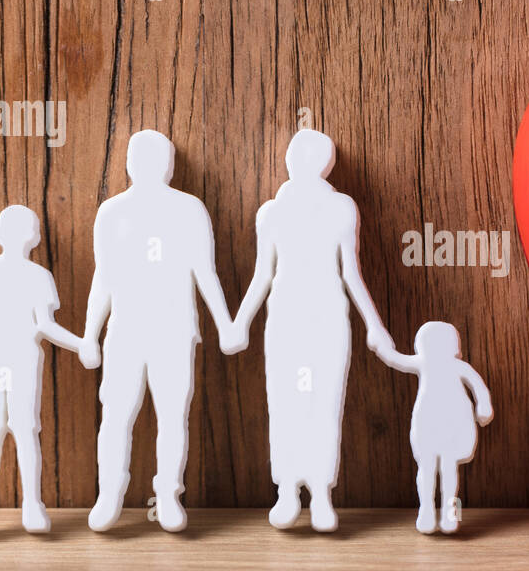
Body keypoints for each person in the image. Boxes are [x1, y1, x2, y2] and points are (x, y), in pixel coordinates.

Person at [232, 129, 393, 532]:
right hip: (287, 317)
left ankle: (320, 495)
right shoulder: (271, 213)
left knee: (321, 402)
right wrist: (240, 323)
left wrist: (375, 326)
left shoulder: (341, 208)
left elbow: (351, 273)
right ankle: (288, 491)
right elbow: (262, 275)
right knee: (287, 402)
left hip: (325, 317)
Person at [81, 129, 241, 533]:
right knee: (116, 414)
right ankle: (109, 496)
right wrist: (89, 335)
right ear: (130, 165)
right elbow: (104, 278)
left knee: (171, 415)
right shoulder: (112, 212)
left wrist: (225, 325)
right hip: (126, 330)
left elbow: (206, 273)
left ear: (168, 166)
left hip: (172, 329)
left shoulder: (189, 210)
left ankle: (168, 495)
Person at [0, 205, 89, 533]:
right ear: (34, 236)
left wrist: (80, 344)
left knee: (23, 431)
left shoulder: (38, 277)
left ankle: (33, 505)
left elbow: (45, 326)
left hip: (22, 362)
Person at [378, 322, 493, 533]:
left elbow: (478, 386)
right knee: (429, 468)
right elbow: (395, 359)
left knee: (448, 470)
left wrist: (483, 405)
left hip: (452, 421)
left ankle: (451, 515)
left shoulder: (457, 366)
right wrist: (382, 348)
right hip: (429, 422)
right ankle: (427, 510)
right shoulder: (424, 363)